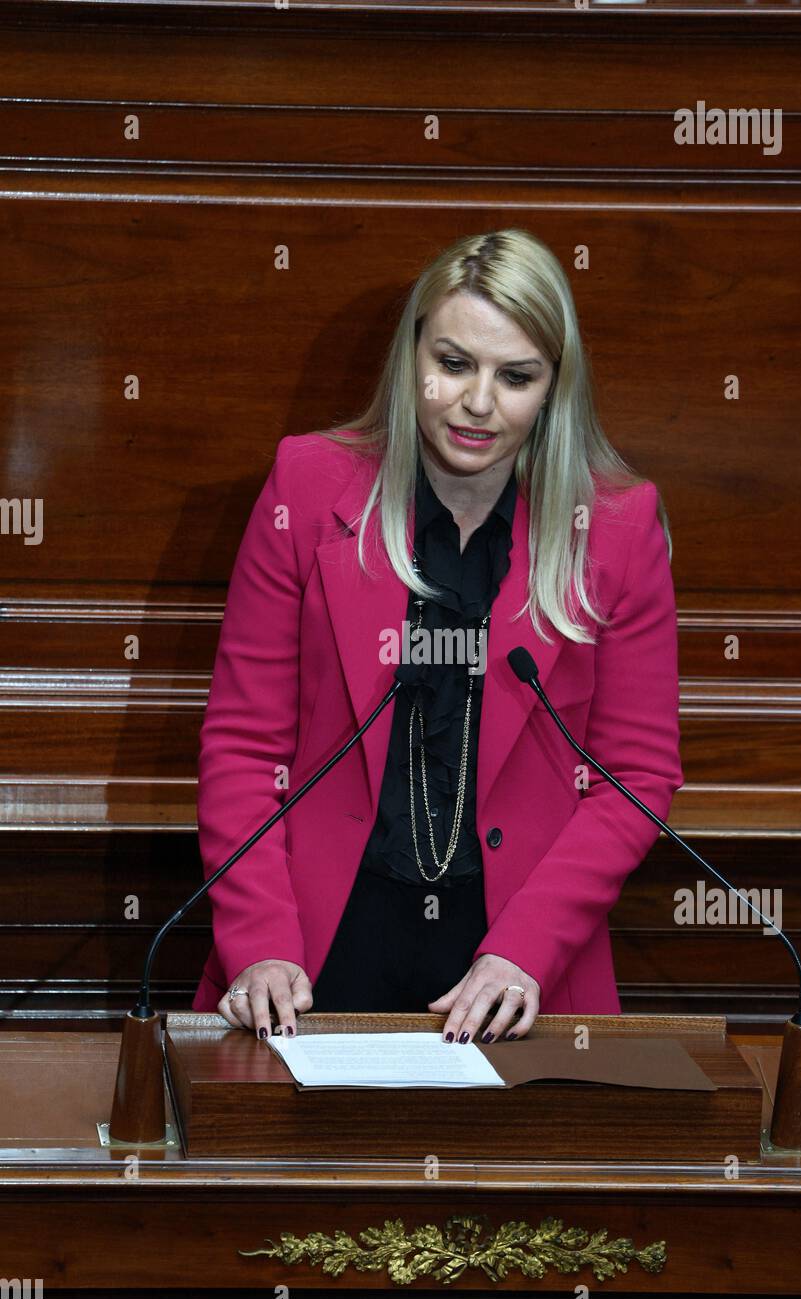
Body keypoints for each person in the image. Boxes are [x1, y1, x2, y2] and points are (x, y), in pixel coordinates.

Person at [191, 227, 683, 1045]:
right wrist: (259, 944)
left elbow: (634, 777)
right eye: (453, 364)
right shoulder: (307, 488)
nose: (478, 403)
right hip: (311, 957)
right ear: (412, 356)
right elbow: (245, 745)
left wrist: (527, 951)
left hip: (517, 972)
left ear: (555, 386)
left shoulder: (620, 530)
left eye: (516, 376)